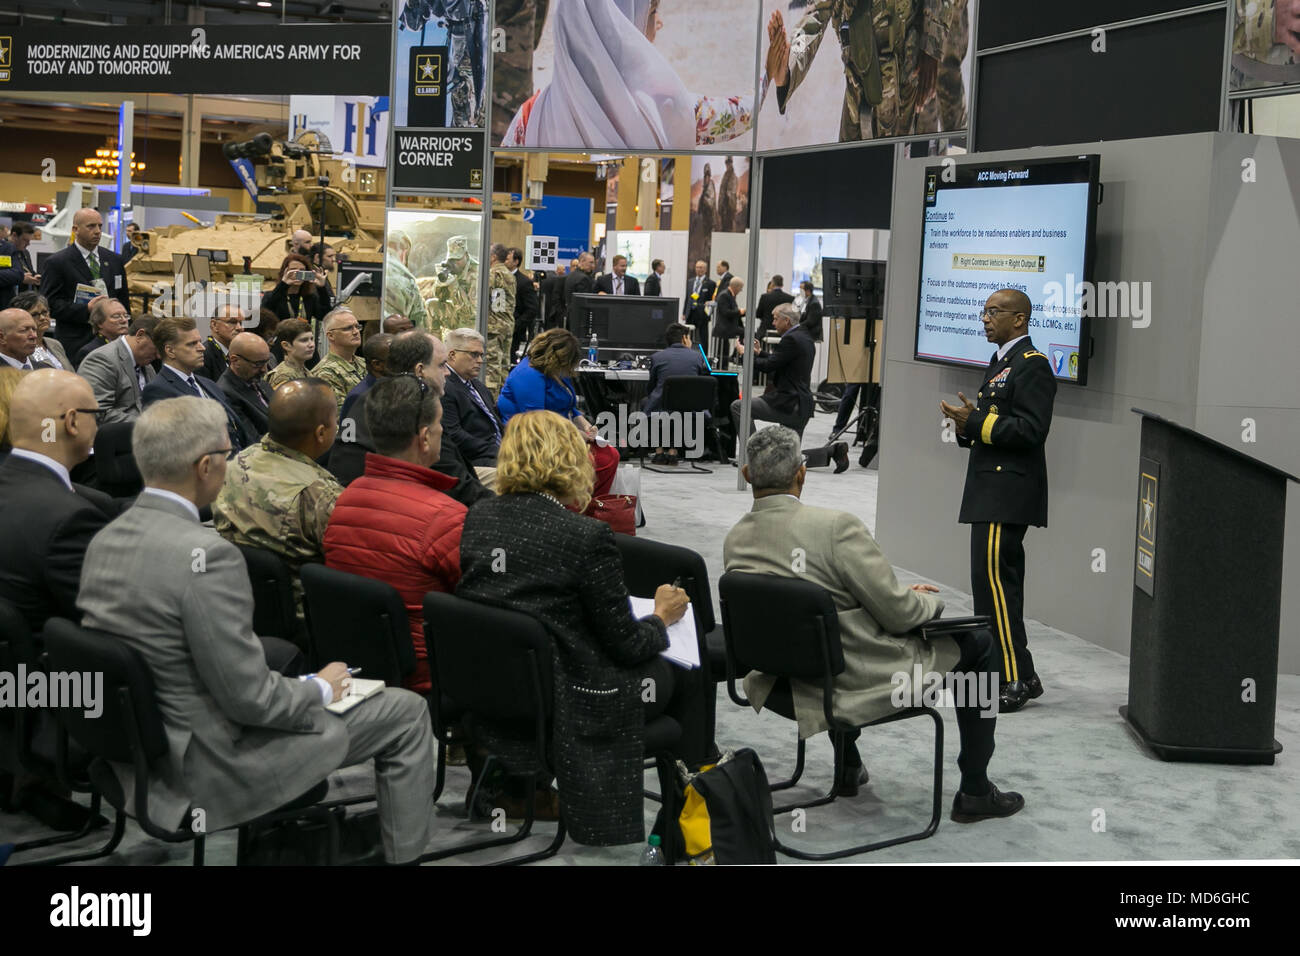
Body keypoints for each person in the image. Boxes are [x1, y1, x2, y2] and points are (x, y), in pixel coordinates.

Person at [76, 396, 437, 864]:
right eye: (228, 455)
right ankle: (404, 858)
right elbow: (250, 699)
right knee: (406, 712)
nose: (231, 464)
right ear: (205, 466)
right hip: (211, 763)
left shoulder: (105, 537)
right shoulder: (208, 560)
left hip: (139, 754)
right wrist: (321, 691)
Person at [724, 425, 1024, 821]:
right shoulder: (835, 528)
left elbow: (820, 600)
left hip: (782, 680)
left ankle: (848, 763)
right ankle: (975, 789)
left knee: (825, 632)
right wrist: (925, 601)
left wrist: (886, 595)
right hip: (851, 683)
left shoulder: (735, 540)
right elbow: (898, 614)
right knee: (981, 643)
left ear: (747, 475)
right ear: (802, 473)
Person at [456, 409, 703, 844]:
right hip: (576, 694)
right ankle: (693, 803)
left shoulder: (479, 518)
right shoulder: (585, 536)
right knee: (686, 667)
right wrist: (661, 617)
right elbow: (626, 645)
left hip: (500, 685)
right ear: (570, 459)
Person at [940, 289, 1056, 714]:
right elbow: (995, 425)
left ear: (1019, 319)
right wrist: (968, 424)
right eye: (984, 311)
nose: (985, 318)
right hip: (991, 489)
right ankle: (1021, 672)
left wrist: (979, 422)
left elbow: (1030, 431)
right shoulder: (1001, 363)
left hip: (1006, 493)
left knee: (997, 592)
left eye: (994, 311)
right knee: (992, 589)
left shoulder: (1033, 366)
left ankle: (1011, 679)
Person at [325, 375, 467, 695]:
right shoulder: (445, 517)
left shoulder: (344, 499)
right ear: (425, 438)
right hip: (429, 677)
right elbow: (480, 599)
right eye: (440, 424)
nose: (444, 430)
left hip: (362, 667)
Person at [502, 0, 763, 148]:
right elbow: (737, 116)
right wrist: (767, 79)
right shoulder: (665, 107)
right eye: (651, 11)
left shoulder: (531, 116)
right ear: (619, 24)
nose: (658, 22)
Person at [213, 379, 343, 619]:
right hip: (303, 619)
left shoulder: (234, 464)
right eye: (336, 419)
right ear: (321, 433)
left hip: (235, 602)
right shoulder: (321, 495)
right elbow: (349, 571)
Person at [0, 369, 113, 631]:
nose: (98, 426)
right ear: (72, 422)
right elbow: (111, 623)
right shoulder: (72, 519)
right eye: (96, 416)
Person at [328, 329, 493, 507]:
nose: (447, 373)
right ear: (420, 370)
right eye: (441, 365)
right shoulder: (412, 405)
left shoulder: (373, 395)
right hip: (393, 502)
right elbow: (455, 482)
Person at [766, 1, 949, 141]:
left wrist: (932, 46)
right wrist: (788, 67)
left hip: (911, 86)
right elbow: (815, 15)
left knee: (911, 178)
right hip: (860, 91)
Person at [497, 328, 620, 498]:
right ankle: (577, 505)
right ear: (557, 358)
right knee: (602, 460)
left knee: (609, 454)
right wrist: (577, 435)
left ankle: (590, 504)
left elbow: (569, 404)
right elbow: (538, 422)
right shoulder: (528, 375)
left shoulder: (555, 371)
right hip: (534, 439)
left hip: (558, 432)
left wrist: (583, 423)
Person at [142, 316, 258, 453]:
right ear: (170, 351)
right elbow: (178, 447)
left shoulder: (209, 384)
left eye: (199, 341)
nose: (202, 347)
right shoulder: (158, 390)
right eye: (192, 344)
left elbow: (236, 427)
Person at [39, 208, 131, 359]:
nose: (97, 231)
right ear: (75, 229)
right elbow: (50, 304)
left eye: (100, 226)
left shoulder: (115, 260)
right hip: (76, 341)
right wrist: (85, 309)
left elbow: (123, 299)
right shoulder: (57, 262)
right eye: (91, 226)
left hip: (113, 342)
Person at [731, 302, 814, 437]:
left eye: (776, 319)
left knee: (739, 407)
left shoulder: (790, 339)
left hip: (789, 402)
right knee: (789, 452)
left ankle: (752, 452)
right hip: (803, 404)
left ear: (786, 321)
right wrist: (759, 353)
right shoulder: (804, 336)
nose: (773, 323)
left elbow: (768, 366)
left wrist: (744, 354)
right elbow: (780, 360)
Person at [442, 327, 505, 472]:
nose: (480, 361)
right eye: (474, 355)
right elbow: (454, 435)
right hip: (472, 460)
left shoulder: (478, 386)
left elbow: (496, 423)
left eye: (481, 355)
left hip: (494, 453)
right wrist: (499, 452)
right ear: (452, 355)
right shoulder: (445, 387)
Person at [76, 314, 159, 424]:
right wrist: (148, 424)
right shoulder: (102, 360)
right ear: (140, 335)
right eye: (157, 347)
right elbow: (98, 413)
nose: (159, 356)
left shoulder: (147, 366)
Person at [218, 332, 274, 439]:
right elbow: (252, 440)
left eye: (266, 362)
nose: (264, 370)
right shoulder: (226, 394)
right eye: (258, 364)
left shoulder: (257, 379)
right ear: (235, 360)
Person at [644, 322, 709, 413]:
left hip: (662, 413)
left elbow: (651, 388)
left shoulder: (657, 357)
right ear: (684, 338)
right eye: (689, 338)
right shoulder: (698, 357)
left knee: (645, 402)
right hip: (692, 413)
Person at [311, 307, 367, 412]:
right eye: (348, 328)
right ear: (331, 336)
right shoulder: (325, 373)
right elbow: (340, 415)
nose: (356, 332)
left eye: (357, 326)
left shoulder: (363, 363)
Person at [427, 236, 479, 339]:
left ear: (466, 255)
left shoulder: (476, 273)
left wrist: (454, 286)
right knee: (431, 305)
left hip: (473, 322)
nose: (455, 263)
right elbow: (441, 298)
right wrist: (440, 284)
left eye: (457, 259)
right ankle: (436, 346)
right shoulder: (451, 269)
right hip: (458, 315)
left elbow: (471, 313)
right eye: (452, 259)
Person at [262, 252, 330, 327]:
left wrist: (322, 288)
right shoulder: (273, 295)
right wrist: (283, 284)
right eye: (293, 270)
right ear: (284, 272)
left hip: (303, 336)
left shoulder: (310, 297)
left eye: (302, 270)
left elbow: (325, 316)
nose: (298, 274)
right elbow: (265, 311)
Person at [485, 243, 517, 396]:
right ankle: (503, 400)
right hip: (507, 325)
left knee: (492, 367)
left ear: (493, 257)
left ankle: (491, 401)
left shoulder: (493, 274)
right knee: (504, 366)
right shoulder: (509, 274)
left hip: (494, 328)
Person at [383, 231, 430, 333]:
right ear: (404, 253)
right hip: (398, 341)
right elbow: (419, 319)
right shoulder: (406, 279)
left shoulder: (374, 265)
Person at [341, 332, 393, 419]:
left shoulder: (401, 388)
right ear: (377, 364)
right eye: (395, 359)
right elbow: (351, 432)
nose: (403, 361)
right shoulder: (358, 397)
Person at [12, 292, 69, 370]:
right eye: (35, 314)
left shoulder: (55, 344)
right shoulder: (21, 348)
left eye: (44, 312)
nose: (42, 318)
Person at [71, 297, 131, 369]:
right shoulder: (89, 352)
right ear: (99, 322)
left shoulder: (132, 347)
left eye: (126, 316)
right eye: (116, 316)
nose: (124, 320)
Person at [507, 246, 539, 360]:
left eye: (507, 259)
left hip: (514, 333)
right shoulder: (498, 278)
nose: (504, 262)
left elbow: (532, 309)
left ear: (516, 261)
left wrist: (516, 325)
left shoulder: (524, 282)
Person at [199, 304, 245, 382]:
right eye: (232, 322)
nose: (239, 328)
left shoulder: (242, 352)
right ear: (214, 325)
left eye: (241, 323)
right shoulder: (203, 356)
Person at [0, 222, 41, 309]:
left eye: (29, 241)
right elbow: (4, 274)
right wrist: (21, 278)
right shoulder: (3, 250)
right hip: (6, 303)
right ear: (14, 235)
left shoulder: (25, 252)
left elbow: (29, 270)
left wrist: (35, 277)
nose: (28, 244)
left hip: (26, 304)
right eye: (25, 240)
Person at [267, 318, 315, 390]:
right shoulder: (283, 377)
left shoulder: (303, 371)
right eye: (304, 340)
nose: (311, 345)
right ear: (286, 345)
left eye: (311, 339)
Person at [712, 276, 744, 370]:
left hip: (728, 326)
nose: (740, 291)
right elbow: (725, 312)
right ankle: (736, 355)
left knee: (724, 350)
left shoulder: (729, 295)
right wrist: (740, 312)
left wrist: (741, 312)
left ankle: (732, 357)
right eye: (740, 288)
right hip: (724, 328)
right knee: (722, 351)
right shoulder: (725, 295)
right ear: (736, 287)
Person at [682, 259, 716, 346]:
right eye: (697, 267)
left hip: (702, 314)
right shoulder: (690, 281)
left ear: (705, 269)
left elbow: (711, 300)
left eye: (701, 267)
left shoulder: (710, 283)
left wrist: (709, 313)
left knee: (703, 337)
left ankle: (703, 356)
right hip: (690, 312)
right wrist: (684, 312)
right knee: (688, 335)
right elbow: (687, 298)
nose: (698, 269)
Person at [562, 251, 596, 330]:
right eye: (591, 263)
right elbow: (585, 302)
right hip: (580, 320)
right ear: (582, 262)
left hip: (570, 316)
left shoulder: (571, 275)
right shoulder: (584, 278)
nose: (593, 266)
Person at [756, 273, 795, 339]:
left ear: (772, 284)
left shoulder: (765, 297)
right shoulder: (790, 298)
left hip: (765, 331)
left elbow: (758, 314)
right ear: (782, 285)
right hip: (783, 332)